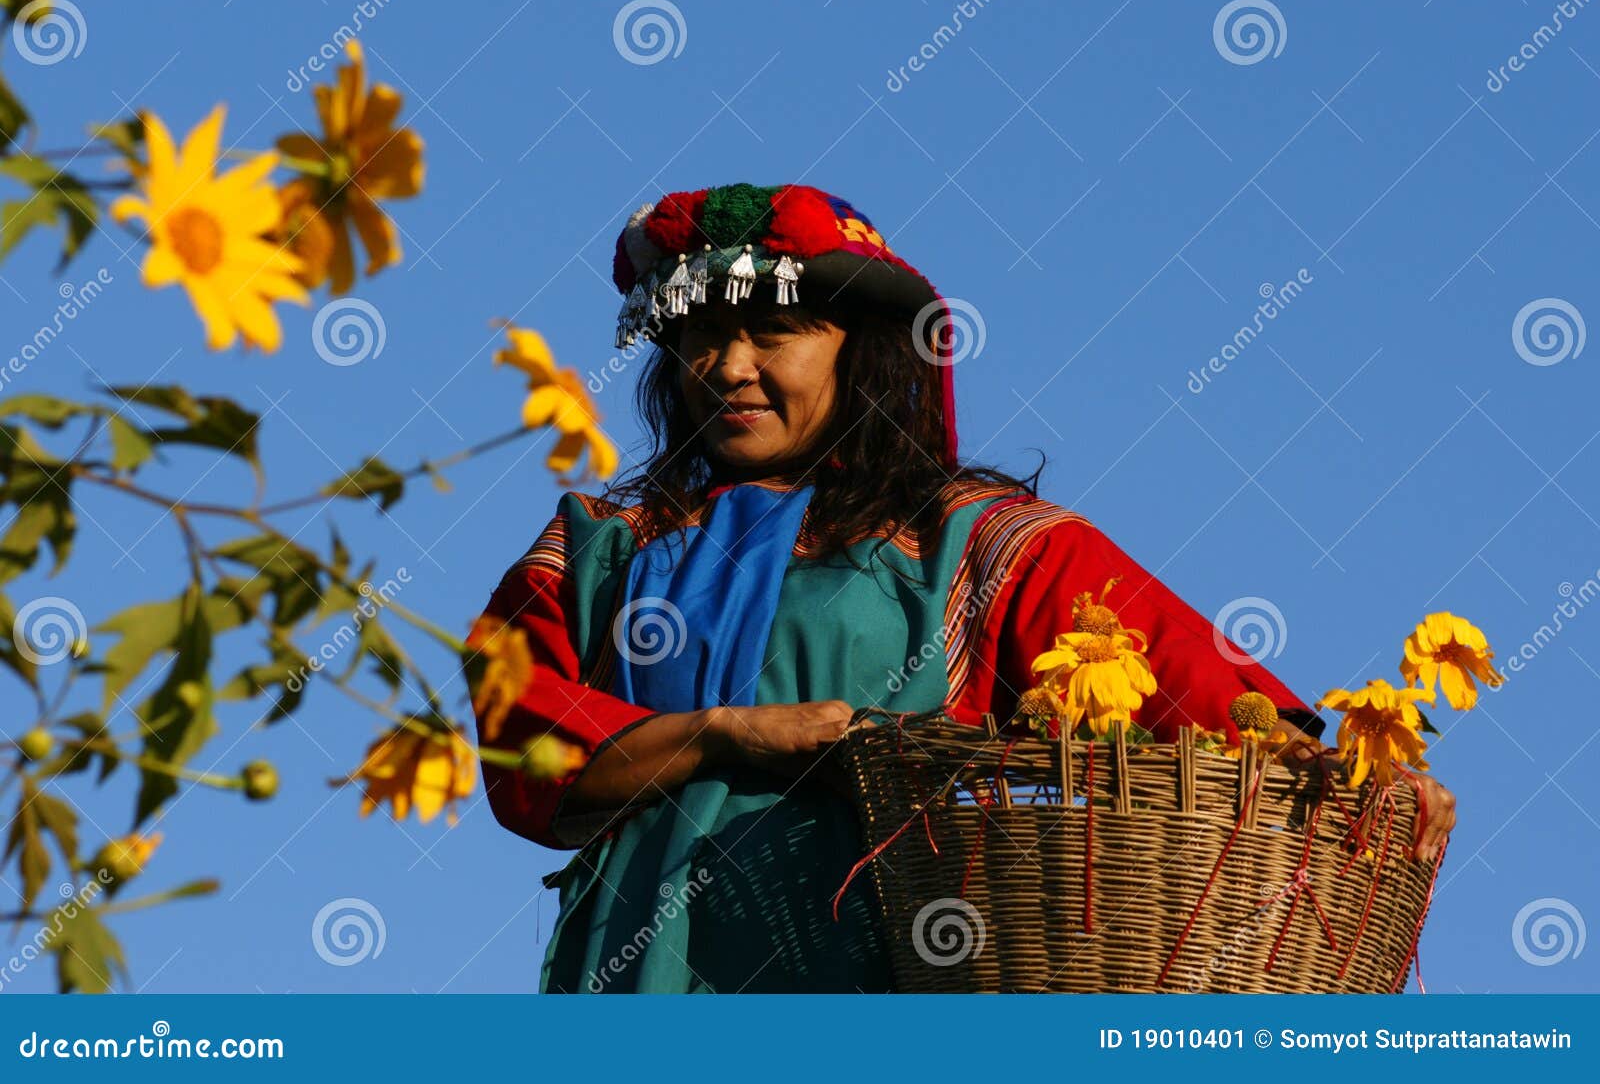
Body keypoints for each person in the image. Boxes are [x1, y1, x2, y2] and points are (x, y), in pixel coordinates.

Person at [472, 182, 1456, 993]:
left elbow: (1202, 697)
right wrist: (723, 733)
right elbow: (524, 755)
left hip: (889, 973)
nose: (725, 366)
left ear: (862, 348)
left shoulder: (979, 540)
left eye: (774, 331)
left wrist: (1356, 777)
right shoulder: (602, 544)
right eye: (698, 338)